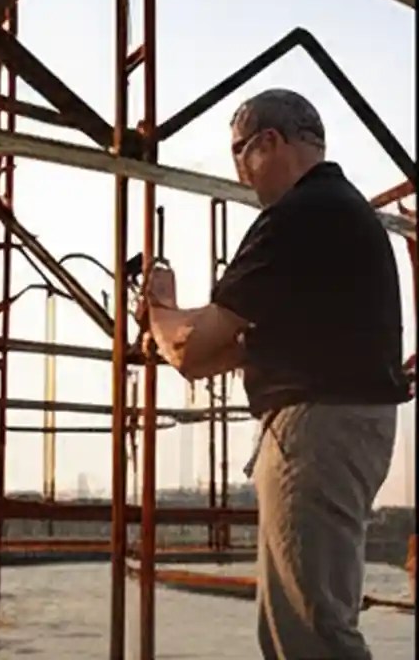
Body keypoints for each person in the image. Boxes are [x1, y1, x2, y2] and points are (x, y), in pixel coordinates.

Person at [138, 89, 409, 659]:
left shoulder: (297, 216)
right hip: (342, 427)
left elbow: (190, 350)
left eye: (239, 152)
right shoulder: (340, 212)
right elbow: (221, 350)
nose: (239, 170)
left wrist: (160, 307)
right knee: (297, 623)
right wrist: (182, 330)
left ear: (268, 142)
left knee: (311, 633)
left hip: (315, 430)